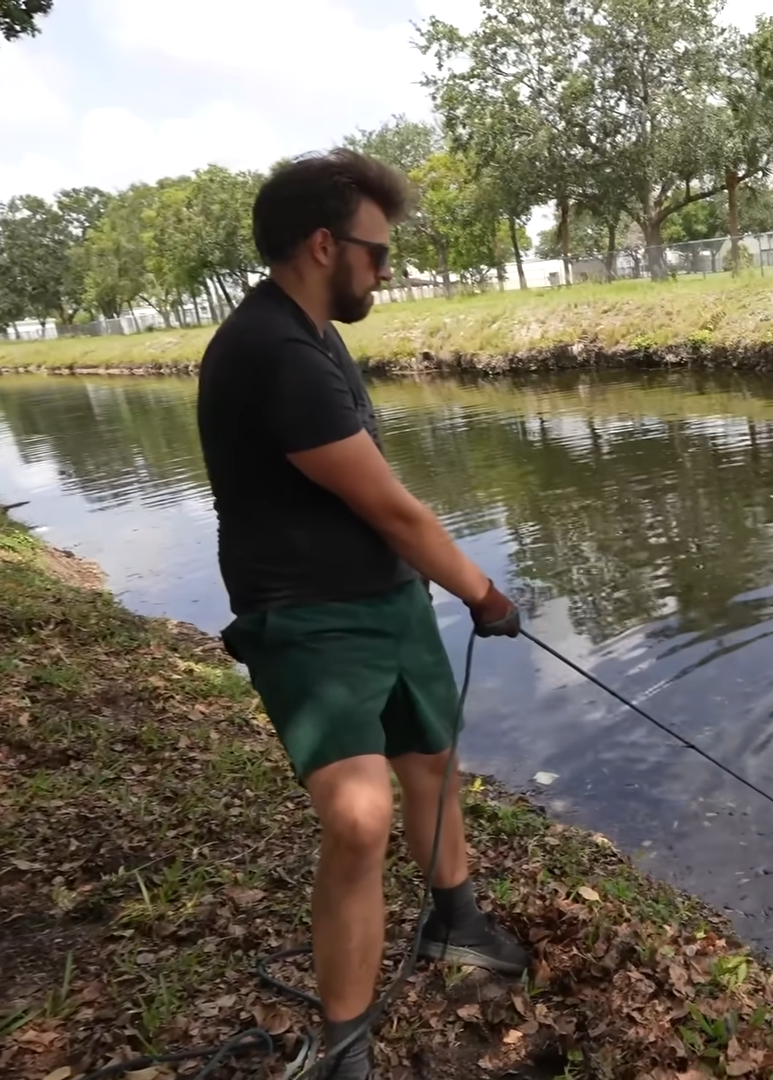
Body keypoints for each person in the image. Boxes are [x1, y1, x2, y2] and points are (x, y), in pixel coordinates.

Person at [196, 148, 527, 1080]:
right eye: (378, 254)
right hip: (309, 619)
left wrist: (431, 583)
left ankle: (454, 921)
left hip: (386, 598)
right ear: (321, 244)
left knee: (429, 757)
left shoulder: (312, 333)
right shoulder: (274, 353)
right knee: (358, 815)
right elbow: (391, 506)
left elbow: (375, 501)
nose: (387, 270)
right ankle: (344, 1047)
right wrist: (484, 592)